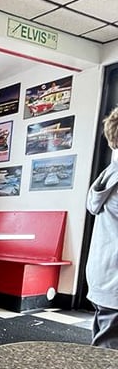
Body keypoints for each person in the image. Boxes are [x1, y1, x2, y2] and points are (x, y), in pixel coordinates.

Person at [86, 106, 118, 348]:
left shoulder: (109, 174)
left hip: (102, 276)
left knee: (103, 348)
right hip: (114, 281)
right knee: (108, 361)